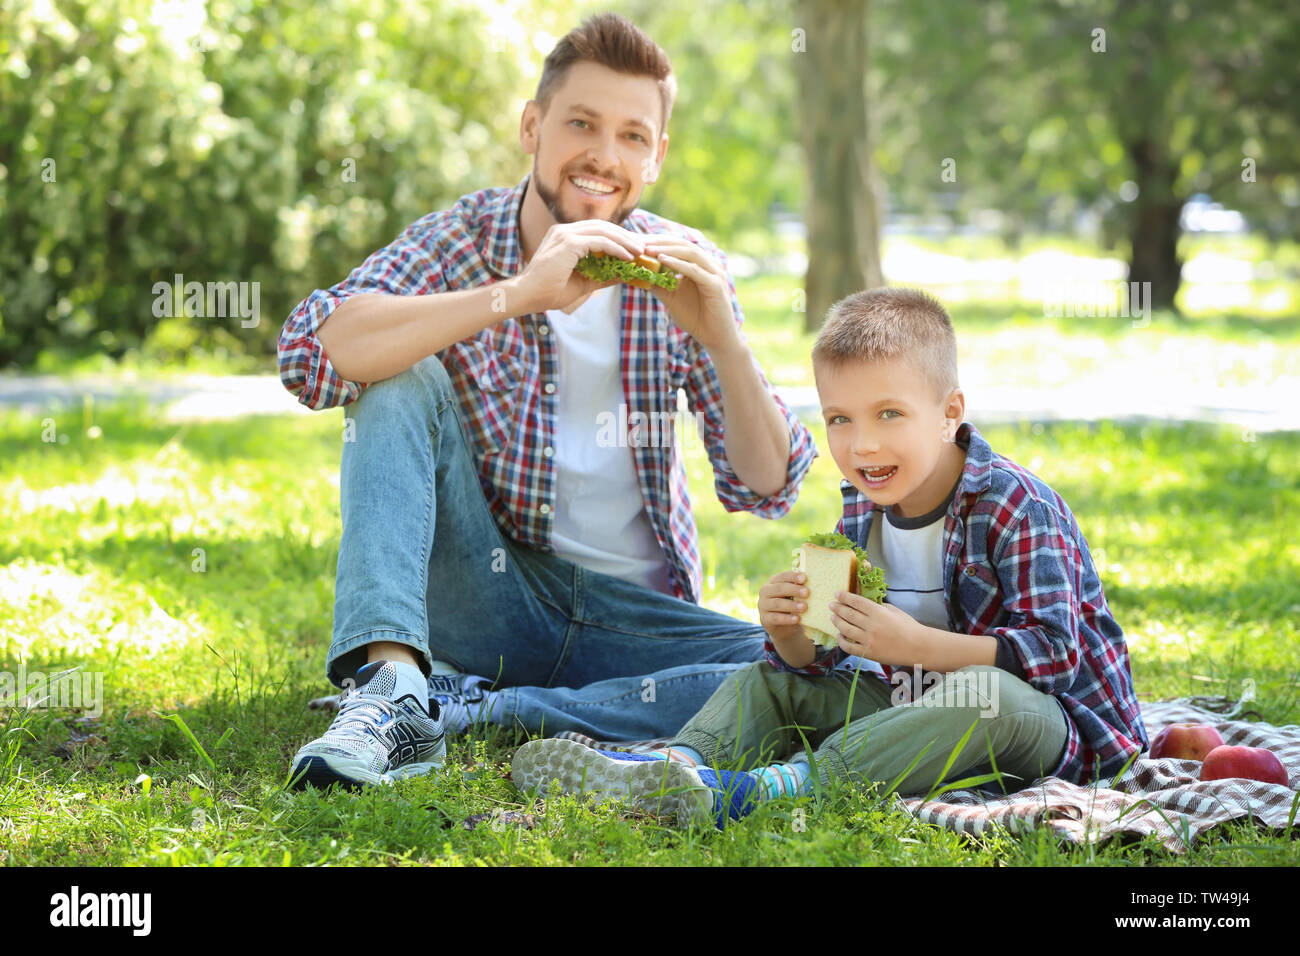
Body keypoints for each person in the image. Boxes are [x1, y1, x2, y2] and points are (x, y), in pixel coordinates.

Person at [280, 13, 817, 789]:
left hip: (634, 620)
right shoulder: (465, 239)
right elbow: (314, 353)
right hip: (495, 594)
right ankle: (395, 688)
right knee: (398, 373)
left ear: (657, 158)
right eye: (581, 124)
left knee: (806, 675)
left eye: (633, 136)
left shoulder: (682, 265)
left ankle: (474, 711)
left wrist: (725, 341)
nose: (604, 156)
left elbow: (767, 485)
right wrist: (514, 295)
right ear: (533, 127)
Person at [511, 287, 1149, 828]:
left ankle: (774, 789)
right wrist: (789, 636)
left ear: (951, 411)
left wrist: (918, 647)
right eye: (839, 419)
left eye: (889, 413)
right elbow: (822, 662)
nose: (862, 443)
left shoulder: (1014, 505)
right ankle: (673, 775)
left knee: (988, 693)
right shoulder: (861, 509)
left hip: (1050, 731)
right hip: (914, 709)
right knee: (768, 679)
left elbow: (1055, 659)